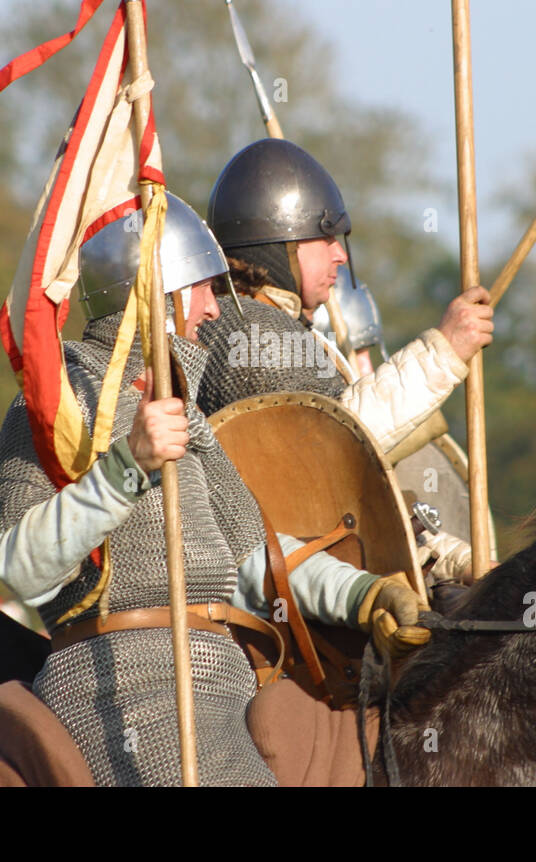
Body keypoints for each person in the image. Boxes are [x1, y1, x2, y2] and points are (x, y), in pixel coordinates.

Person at [0, 193, 427, 786]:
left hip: (222, 684)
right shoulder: (62, 398)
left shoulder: (185, 414)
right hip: (127, 681)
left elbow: (258, 558)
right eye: (200, 288)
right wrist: (128, 465)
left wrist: (366, 597)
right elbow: (20, 564)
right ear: (155, 296)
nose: (214, 312)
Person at [194, 139, 496, 581]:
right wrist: (444, 350)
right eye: (324, 237)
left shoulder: (279, 326)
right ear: (282, 242)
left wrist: (454, 560)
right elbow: (331, 448)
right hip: (281, 598)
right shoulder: (251, 333)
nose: (340, 253)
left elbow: (355, 492)